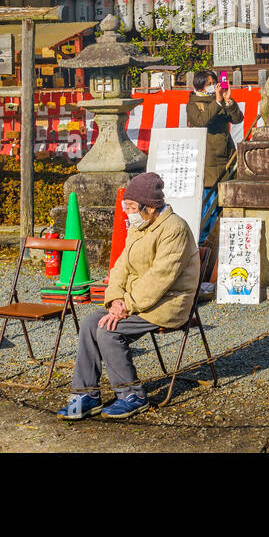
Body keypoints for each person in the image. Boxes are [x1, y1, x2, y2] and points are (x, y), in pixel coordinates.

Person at [58, 172, 198, 420]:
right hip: (137, 300)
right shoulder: (138, 225)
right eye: (127, 207)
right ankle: (86, 394)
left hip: (168, 302)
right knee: (91, 322)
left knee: (109, 330)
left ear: (151, 207)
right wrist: (115, 300)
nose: (128, 212)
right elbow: (121, 266)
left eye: (133, 207)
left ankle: (132, 395)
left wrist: (127, 305)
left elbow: (161, 277)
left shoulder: (175, 228)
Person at [186, 69, 244, 256]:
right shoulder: (193, 104)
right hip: (208, 162)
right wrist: (218, 101)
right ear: (199, 85)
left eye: (214, 82)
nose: (213, 86)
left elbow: (237, 119)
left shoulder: (218, 101)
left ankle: (220, 242)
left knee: (224, 204)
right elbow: (202, 121)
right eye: (209, 83)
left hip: (227, 157)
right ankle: (203, 244)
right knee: (208, 205)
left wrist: (228, 100)